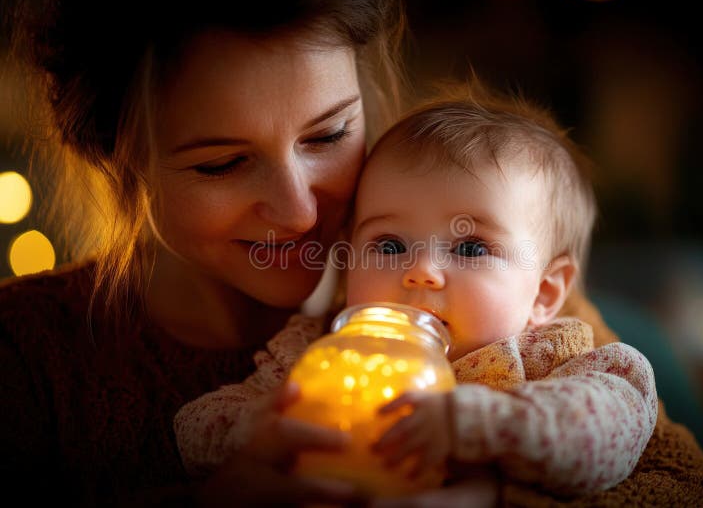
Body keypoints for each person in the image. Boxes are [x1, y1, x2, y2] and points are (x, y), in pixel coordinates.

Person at [0, 0, 703, 506]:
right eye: (222, 162)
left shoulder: (527, 315)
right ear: (115, 155)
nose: (296, 213)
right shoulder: (26, 355)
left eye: (328, 134)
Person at [174, 88, 660, 498]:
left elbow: (609, 434)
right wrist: (255, 432)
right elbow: (196, 427)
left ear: (544, 293)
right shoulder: (316, 353)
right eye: (389, 245)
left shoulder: (552, 362)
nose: (422, 272)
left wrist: (473, 425)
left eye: (470, 248)